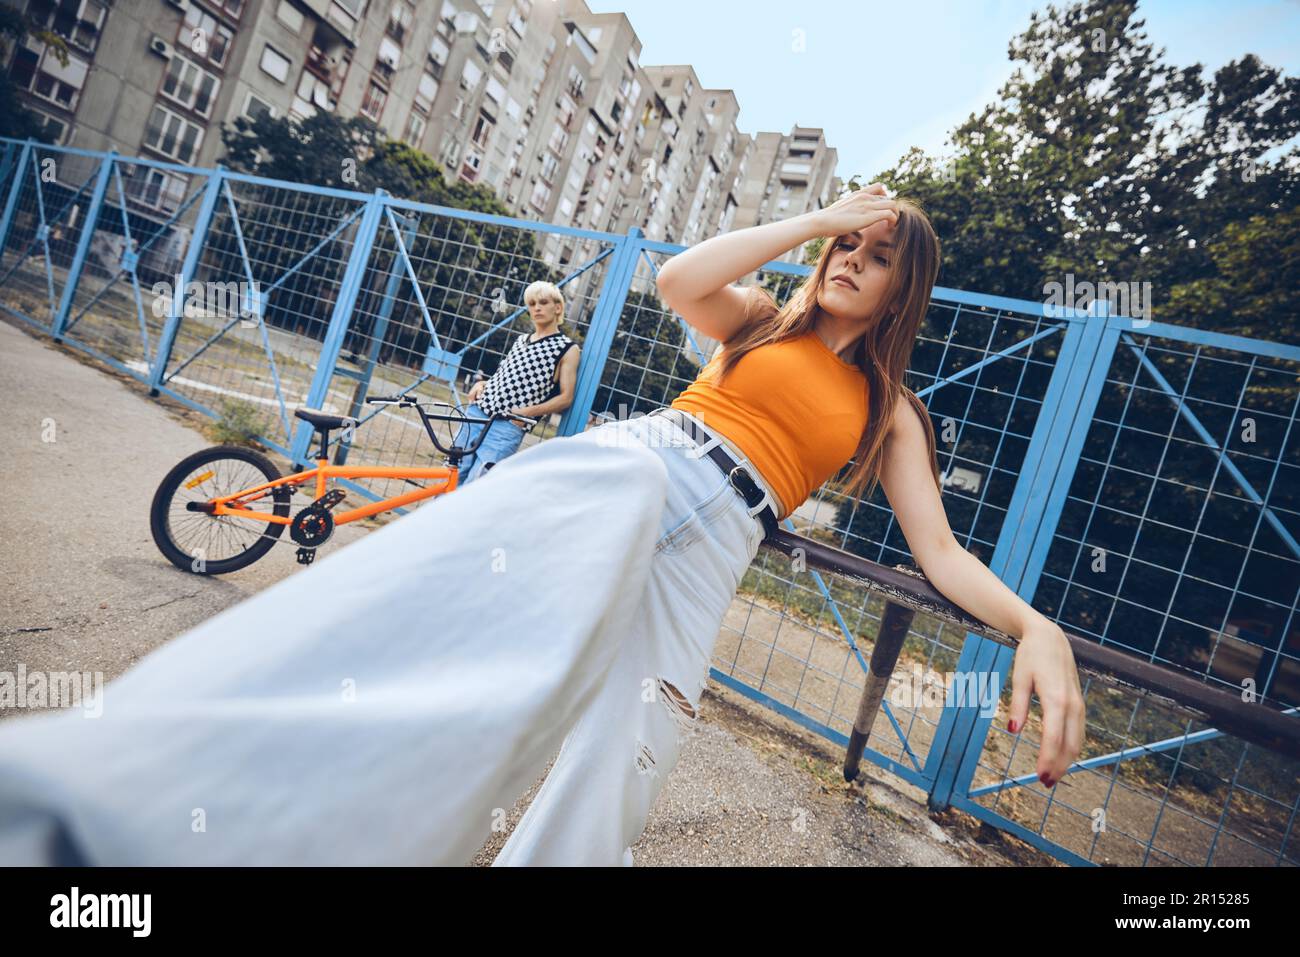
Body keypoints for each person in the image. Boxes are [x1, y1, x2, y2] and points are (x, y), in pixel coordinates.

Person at [0, 185, 1085, 866]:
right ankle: (94, 813)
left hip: (716, 550)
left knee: (627, 755)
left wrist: (1036, 629)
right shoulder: (760, 321)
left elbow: (938, 551)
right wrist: (819, 216)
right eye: (847, 243)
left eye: (877, 251)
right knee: (424, 628)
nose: (851, 257)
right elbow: (676, 278)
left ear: (907, 285)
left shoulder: (893, 413)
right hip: (637, 469)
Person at [451, 281, 580, 485]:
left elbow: (566, 398)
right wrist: (483, 383)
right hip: (478, 411)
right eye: (531, 303)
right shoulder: (521, 339)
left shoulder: (567, 348)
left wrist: (527, 413)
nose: (536, 307)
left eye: (543, 302)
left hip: (508, 424)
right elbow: (507, 374)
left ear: (557, 307)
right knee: (452, 471)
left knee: (478, 483)